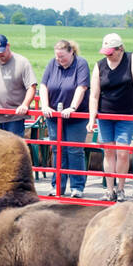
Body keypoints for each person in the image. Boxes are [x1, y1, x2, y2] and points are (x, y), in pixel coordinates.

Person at [87, 32, 133, 202]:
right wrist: (92, 119)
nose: (108, 56)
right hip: (105, 115)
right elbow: (94, 95)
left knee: (122, 152)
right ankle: (109, 189)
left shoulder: (131, 59)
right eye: (106, 53)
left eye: (111, 52)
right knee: (108, 151)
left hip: (126, 115)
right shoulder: (99, 66)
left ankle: (121, 189)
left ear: (120, 49)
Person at [38, 39, 91, 197]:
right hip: (54, 116)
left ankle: (77, 187)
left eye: (63, 57)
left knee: (74, 150)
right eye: (57, 57)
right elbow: (43, 85)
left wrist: (73, 107)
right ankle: (58, 186)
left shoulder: (81, 64)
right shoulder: (52, 64)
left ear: (71, 52)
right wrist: (45, 106)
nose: (59, 60)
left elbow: (82, 87)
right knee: (57, 149)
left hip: (76, 117)